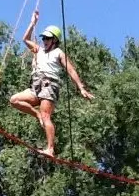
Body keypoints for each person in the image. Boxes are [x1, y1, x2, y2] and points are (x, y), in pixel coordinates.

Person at [10, 11, 94, 157]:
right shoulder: (38, 50)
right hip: (35, 85)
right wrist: (32, 23)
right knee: (14, 100)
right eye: (43, 38)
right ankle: (36, 115)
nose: (44, 40)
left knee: (46, 116)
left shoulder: (59, 53)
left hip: (49, 86)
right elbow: (25, 39)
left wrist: (81, 88)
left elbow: (71, 70)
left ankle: (50, 149)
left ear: (54, 40)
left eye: (48, 38)